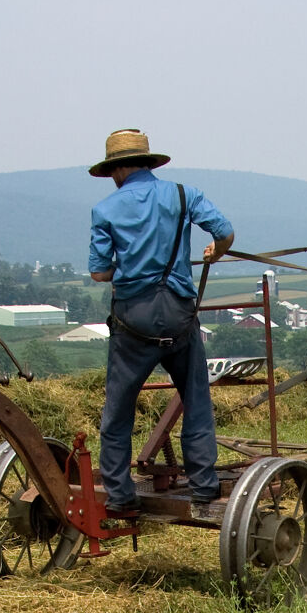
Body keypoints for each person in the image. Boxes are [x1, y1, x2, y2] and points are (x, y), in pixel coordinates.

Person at [86, 128, 235, 517]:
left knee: (118, 410)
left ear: (116, 170)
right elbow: (225, 232)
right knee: (196, 399)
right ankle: (204, 485)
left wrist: (131, 264)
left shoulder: (104, 210)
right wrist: (215, 251)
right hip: (179, 314)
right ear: (149, 162)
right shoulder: (183, 195)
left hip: (133, 319)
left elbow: (100, 274)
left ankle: (120, 495)